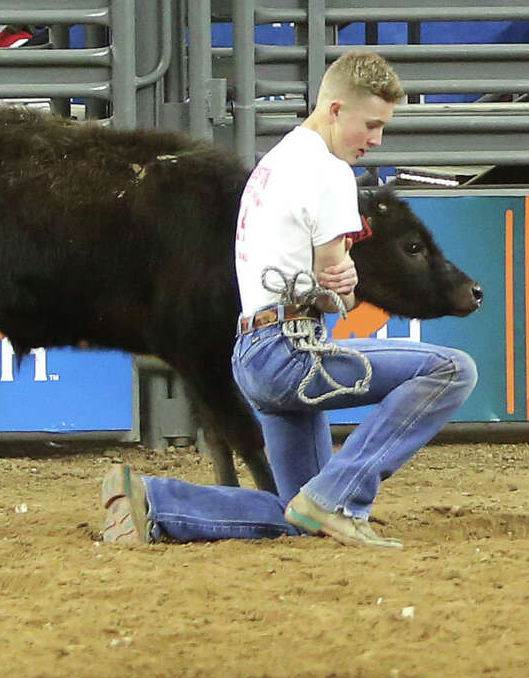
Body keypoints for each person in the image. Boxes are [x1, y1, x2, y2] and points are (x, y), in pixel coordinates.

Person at [101, 51, 478, 549]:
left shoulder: (275, 161)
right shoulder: (330, 171)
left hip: (253, 353)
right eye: (370, 125)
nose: (375, 140)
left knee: (301, 511)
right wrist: (343, 281)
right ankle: (340, 497)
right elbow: (333, 285)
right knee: (452, 370)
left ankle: (154, 501)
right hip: (292, 349)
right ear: (337, 109)